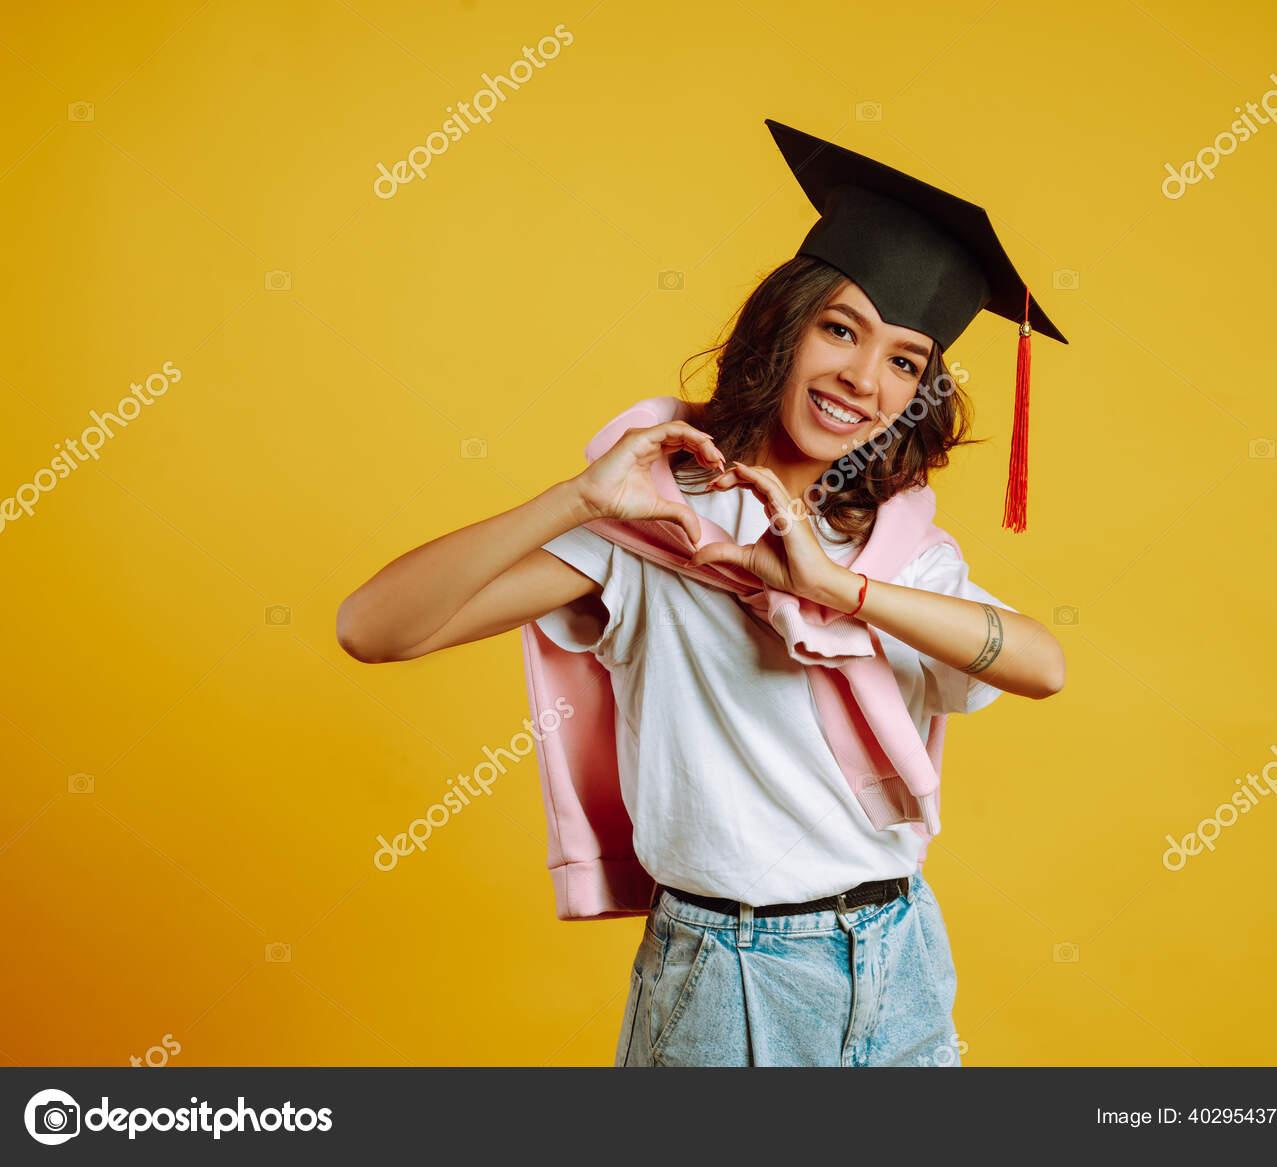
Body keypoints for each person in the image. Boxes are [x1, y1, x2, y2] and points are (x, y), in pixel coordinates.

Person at [336, 119, 1069, 1067]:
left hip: (900, 955)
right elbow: (372, 629)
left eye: (904, 360)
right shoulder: (657, 530)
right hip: (728, 973)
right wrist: (578, 496)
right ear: (785, 325)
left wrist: (831, 586)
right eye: (840, 329)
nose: (862, 378)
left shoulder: (899, 552)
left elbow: (1042, 664)